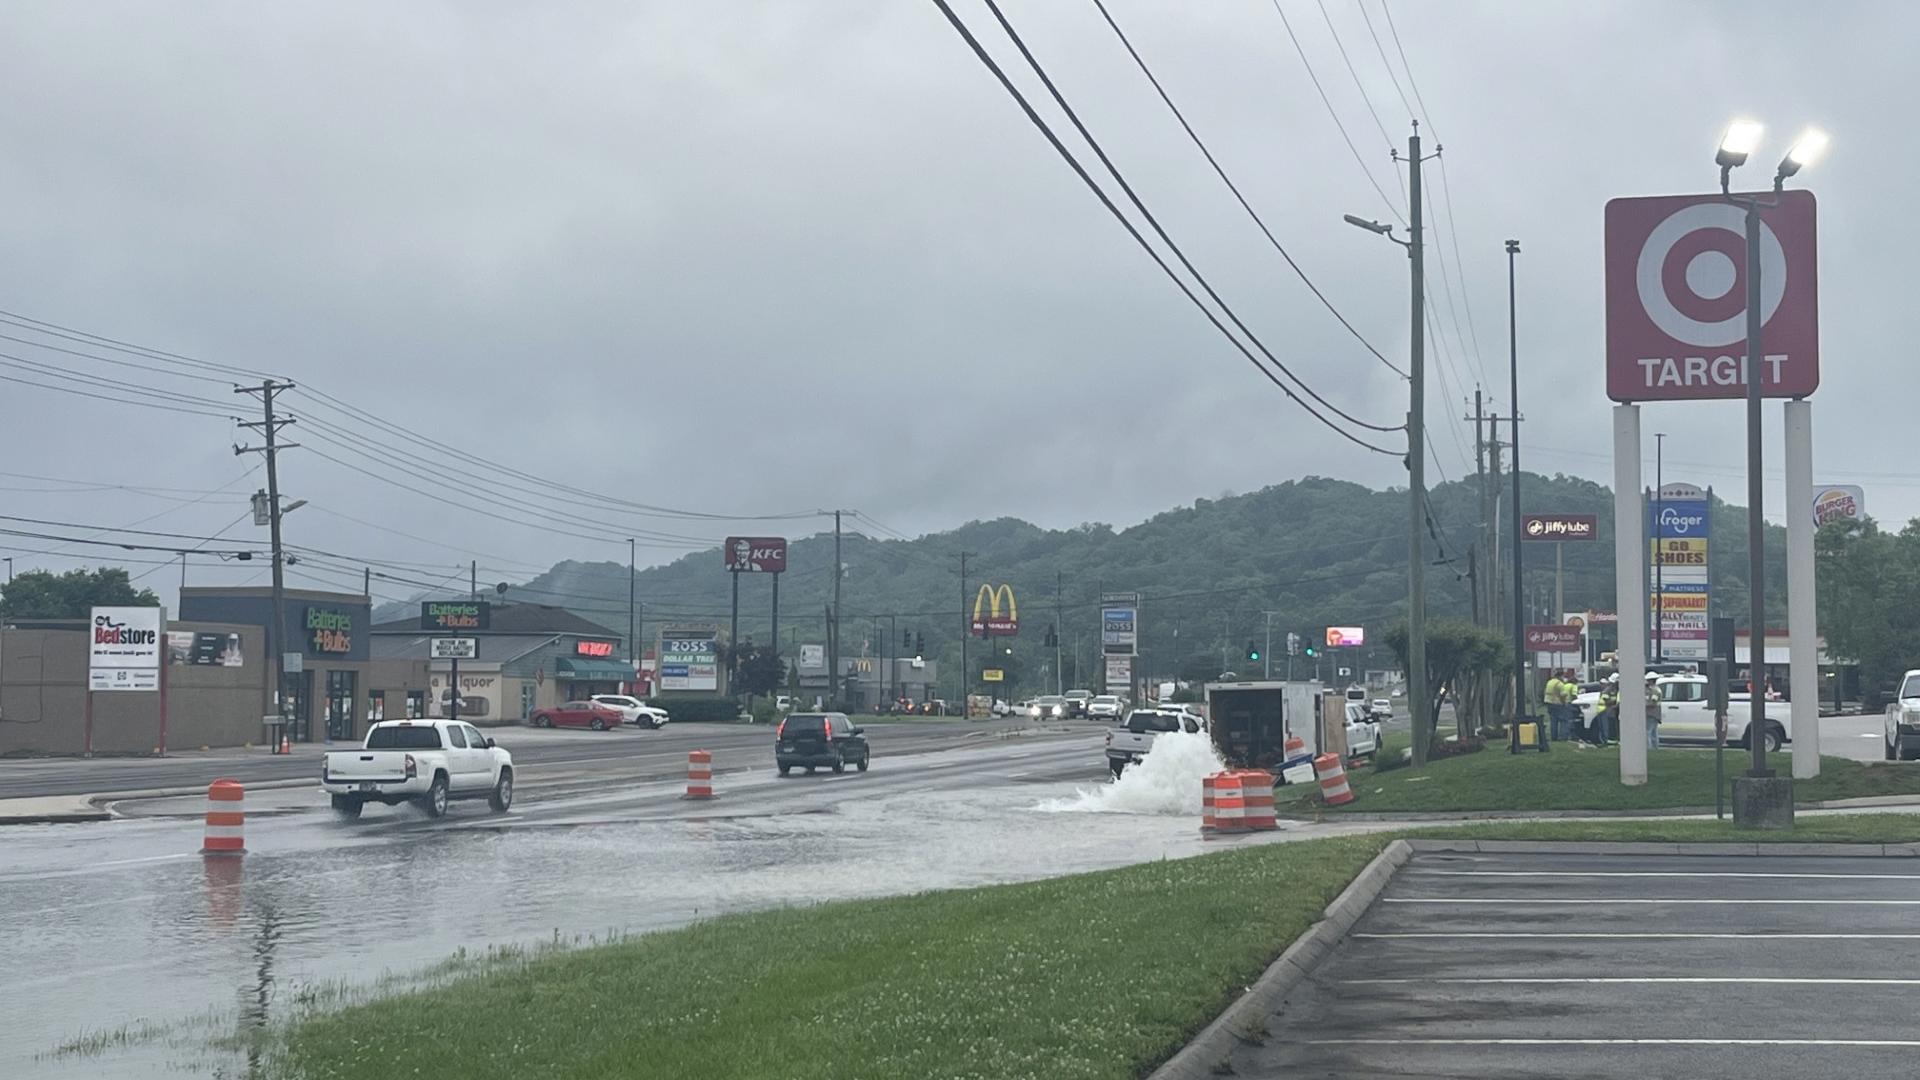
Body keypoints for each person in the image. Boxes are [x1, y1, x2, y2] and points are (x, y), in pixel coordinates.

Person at [1543, 670, 1568, 741]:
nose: (1563, 678)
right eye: (1563, 676)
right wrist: (1564, 703)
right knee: (1564, 720)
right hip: (1557, 704)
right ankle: (1562, 737)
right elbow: (1563, 695)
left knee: (1553, 721)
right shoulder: (1560, 684)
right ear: (1560, 676)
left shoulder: (1549, 682)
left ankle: (1554, 737)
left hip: (1549, 703)